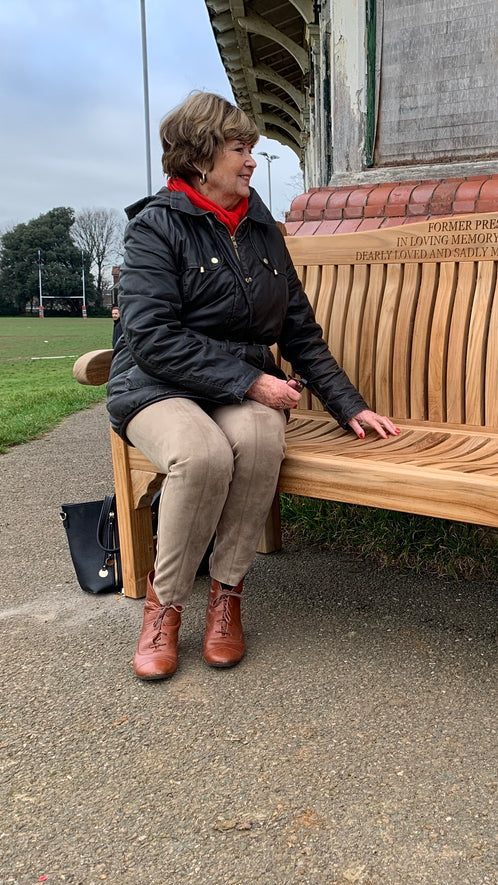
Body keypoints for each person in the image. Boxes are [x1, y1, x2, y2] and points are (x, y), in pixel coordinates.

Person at [107, 91, 399, 681]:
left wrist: (349, 405)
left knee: (262, 442)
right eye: (240, 149)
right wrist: (251, 380)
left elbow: (298, 328)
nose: (250, 162)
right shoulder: (155, 229)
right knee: (202, 455)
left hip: (239, 386)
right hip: (157, 384)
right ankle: (164, 609)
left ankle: (227, 596)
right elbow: (151, 336)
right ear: (201, 154)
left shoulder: (262, 227)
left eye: (251, 150)